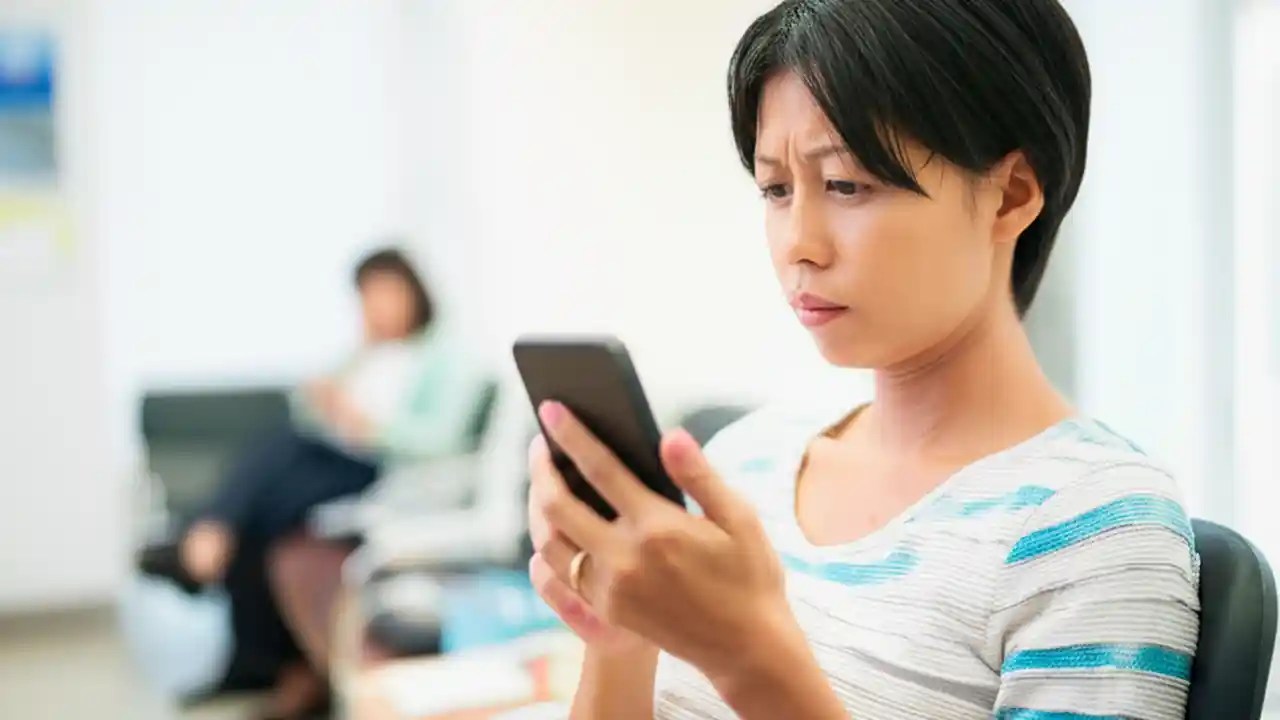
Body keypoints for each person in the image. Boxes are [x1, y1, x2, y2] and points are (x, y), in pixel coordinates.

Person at [524, 2, 1200, 719]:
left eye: (846, 185)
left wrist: (750, 657)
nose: (799, 243)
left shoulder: (1098, 526)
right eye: (777, 189)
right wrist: (620, 637)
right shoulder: (742, 465)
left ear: (1011, 195)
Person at [174, 246, 484, 718]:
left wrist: (369, 426)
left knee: (277, 459)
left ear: (415, 292)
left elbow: (442, 439)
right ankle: (223, 539)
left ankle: (208, 528)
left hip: (382, 471)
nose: (378, 308)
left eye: (387, 294)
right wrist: (355, 363)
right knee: (271, 486)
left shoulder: (447, 356)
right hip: (334, 458)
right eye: (367, 298)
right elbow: (307, 410)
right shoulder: (369, 353)